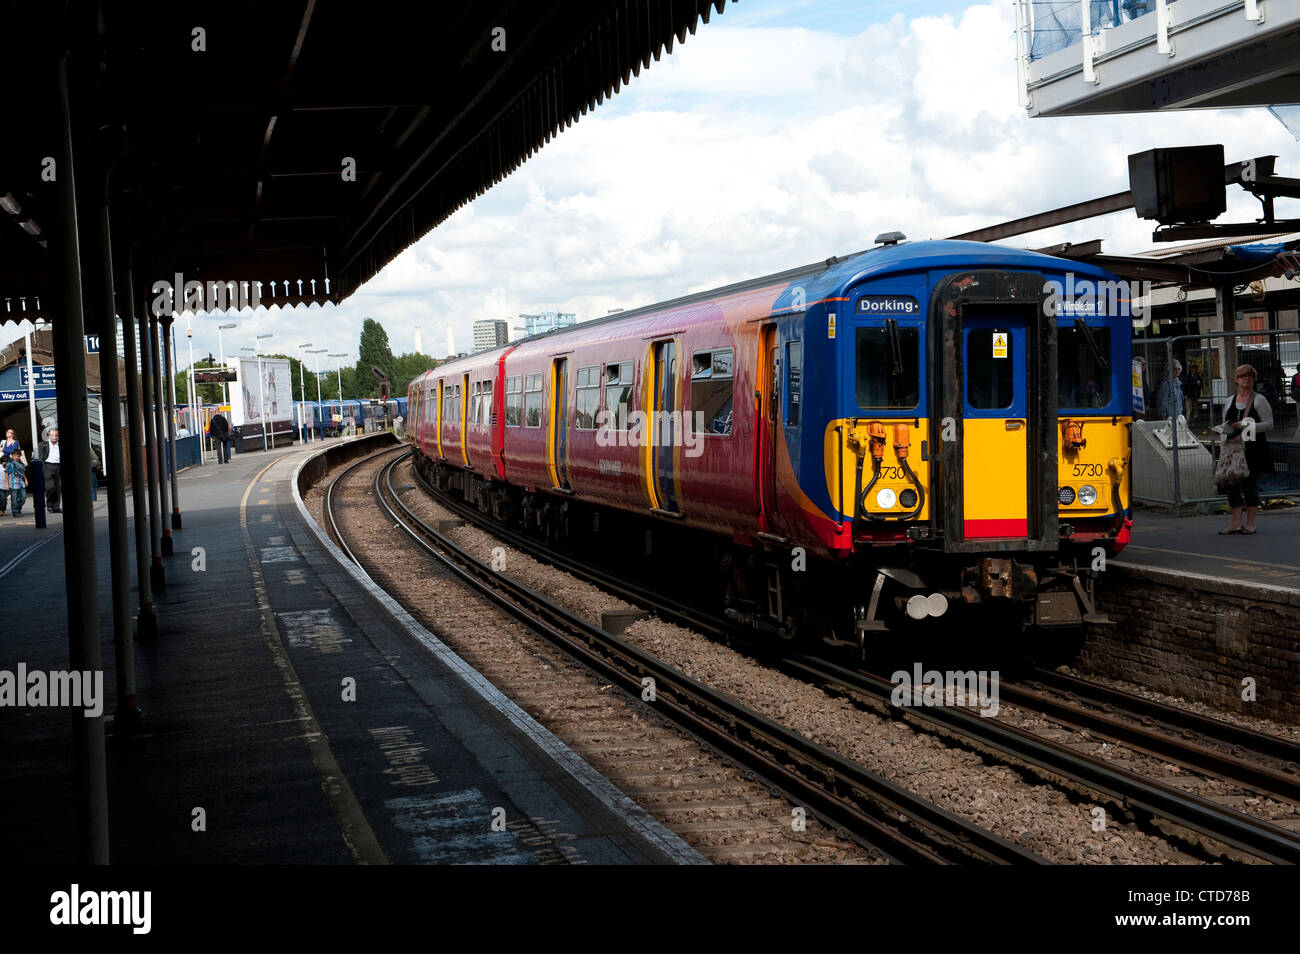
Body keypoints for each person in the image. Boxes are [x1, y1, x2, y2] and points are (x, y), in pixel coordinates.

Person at [1219, 364, 1274, 535]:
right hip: (1233, 450)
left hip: (1253, 449)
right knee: (1232, 486)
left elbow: (1269, 424)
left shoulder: (1259, 400)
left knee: (1250, 486)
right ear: (1236, 380)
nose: (1247, 379)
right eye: (1243, 376)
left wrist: (1244, 425)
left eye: (1250, 376)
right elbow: (1225, 423)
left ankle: (1250, 523)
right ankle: (1235, 522)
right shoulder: (1229, 401)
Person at [37, 427, 63, 513]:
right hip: (48, 466)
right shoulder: (42, 444)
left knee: (57, 488)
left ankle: (56, 506)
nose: (54, 437)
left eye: (56, 435)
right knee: (50, 487)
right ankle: (49, 505)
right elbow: (40, 457)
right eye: (52, 435)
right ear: (48, 435)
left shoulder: (60, 444)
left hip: (58, 466)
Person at [1155, 359, 1184, 424]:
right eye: (1174, 369)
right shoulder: (1166, 384)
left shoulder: (1178, 384)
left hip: (1178, 417)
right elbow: (1162, 402)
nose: (1177, 370)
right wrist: (1163, 417)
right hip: (1169, 419)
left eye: (1178, 369)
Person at [1, 450, 28, 517]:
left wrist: (26, 479)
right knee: (14, 498)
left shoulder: (21, 464)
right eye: (15, 456)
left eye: (18, 456)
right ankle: (15, 512)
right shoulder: (9, 464)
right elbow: (6, 473)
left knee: (23, 497)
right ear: (12, 456)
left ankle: (18, 508)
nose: (16, 457)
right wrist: (7, 484)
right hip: (12, 483)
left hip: (21, 483)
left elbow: (23, 473)